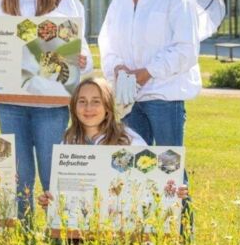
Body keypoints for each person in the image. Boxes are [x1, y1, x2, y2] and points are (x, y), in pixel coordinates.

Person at [0, 0, 93, 222]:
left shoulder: (65, 3)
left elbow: (79, 49)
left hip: (51, 102)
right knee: (20, 174)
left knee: (52, 171)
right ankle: (24, 235)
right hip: (11, 103)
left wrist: (82, 61)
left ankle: (59, 234)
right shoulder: (2, 5)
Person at [98, 0, 201, 147]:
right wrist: (116, 68)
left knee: (169, 170)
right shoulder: (120, 0)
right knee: (134, 170)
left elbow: (186, 49)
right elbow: (106, 43)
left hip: (164, 96)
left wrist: (148, 72)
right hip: (128, 100)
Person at [39, 78, 188, 207]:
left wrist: (173, 187)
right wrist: (51, 201)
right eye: (82, 101)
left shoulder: (128, 140)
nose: (88, 108)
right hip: (81, 231)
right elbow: (66, 191)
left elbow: (155, 174)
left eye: (96, 101)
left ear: (107, 107)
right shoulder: (68, 142)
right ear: (74, 107)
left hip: (123, 230)